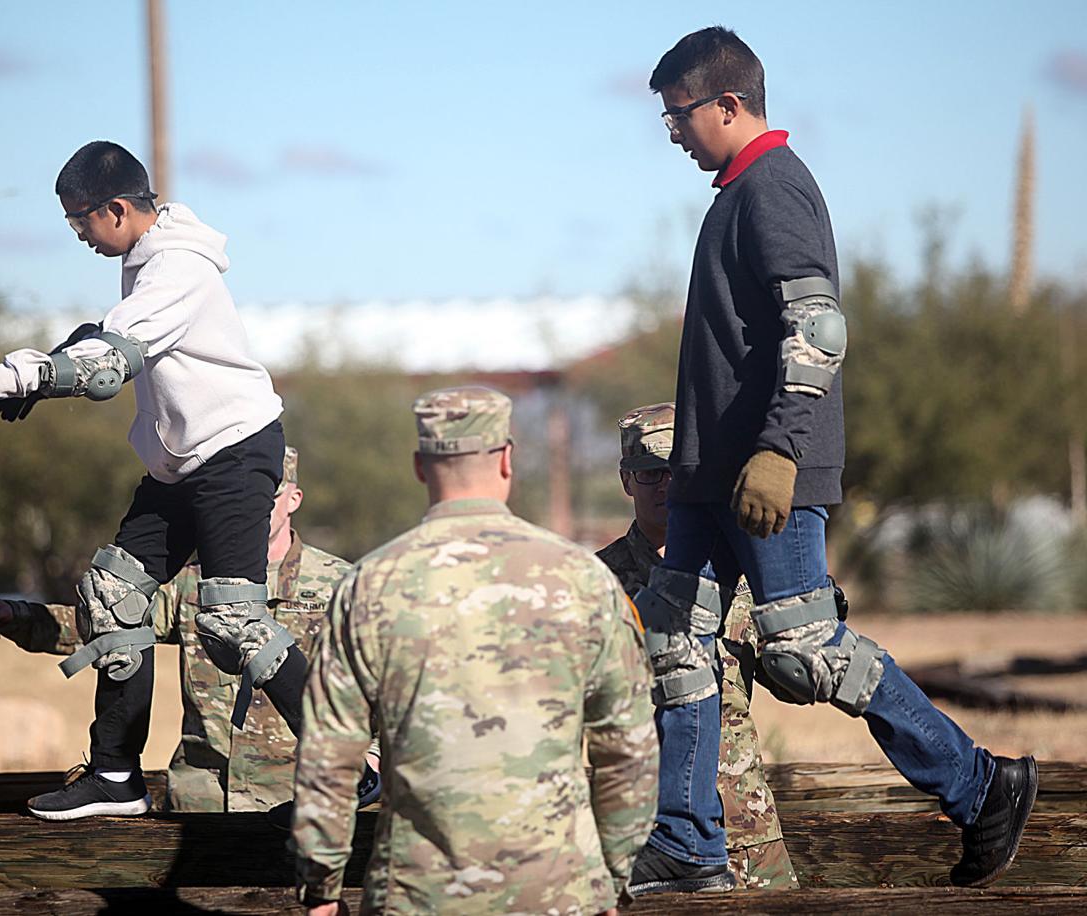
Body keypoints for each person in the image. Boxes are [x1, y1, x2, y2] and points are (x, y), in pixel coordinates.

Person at [628, 28, 1037, 894]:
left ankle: (980, 784)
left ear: (728, 105)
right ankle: (691, 843)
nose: (674, 135)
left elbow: (818, 328)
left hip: (767, 475)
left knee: (805, 650)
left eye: (679, 118)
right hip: (711, 477)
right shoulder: (733, 193)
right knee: (678, 641)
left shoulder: (774, 187)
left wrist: (779, 449)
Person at [0, 141, 312, 820]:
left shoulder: (177, 268)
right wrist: (52, 373)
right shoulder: (147, 265)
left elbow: (107, 368)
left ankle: (350, 757)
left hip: (235, 454)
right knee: (111, 594)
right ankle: (114, 776)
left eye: (80, 222)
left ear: (118, 209)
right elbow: (111, 339)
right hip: (180, 465)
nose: (78, 235)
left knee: (231, 622)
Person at [291, 386, 659, 916]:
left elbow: (330, 753)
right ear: (507, 459)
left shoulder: (369, 585)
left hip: (419, 894)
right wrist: (612, 874)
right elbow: (627, 746)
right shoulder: (582, 578)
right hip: (559, 889)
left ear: (421, 466)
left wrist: (320, 885)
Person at [0, 447, 380, 812]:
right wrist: (17, 617)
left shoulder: (341, 585)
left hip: (295, 805)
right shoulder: (190, 582)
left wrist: (372, 763)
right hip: (200, 806)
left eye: (265, 496)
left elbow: (387, 685)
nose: (252, 506)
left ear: (294, 499)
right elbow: (106, 625)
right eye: (241, 495)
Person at [596, 402, 796, 889]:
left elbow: (793, 686)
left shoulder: (737, 573)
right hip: (645, 845)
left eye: (676, 471)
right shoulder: (594, 586)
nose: (666, 486)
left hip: (746, 834)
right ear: (626, 481)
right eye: (649, 474)